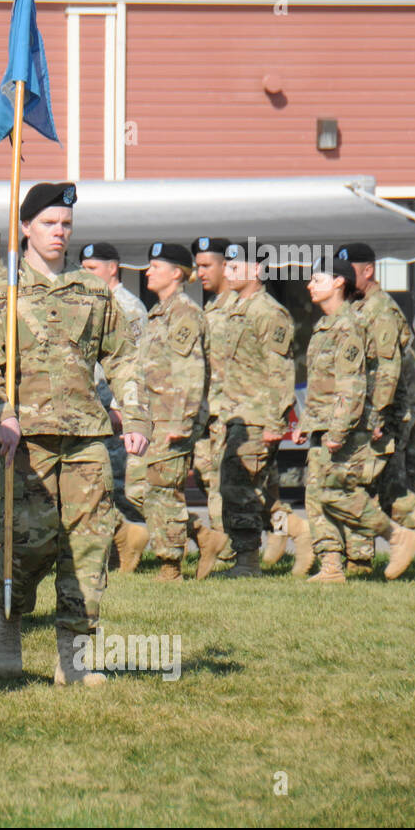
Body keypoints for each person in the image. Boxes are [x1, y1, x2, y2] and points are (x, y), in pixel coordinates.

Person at [0, 182, 149, 684]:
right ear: (25, 228)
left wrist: (135, 414)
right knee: (26, 543)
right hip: (25, 440)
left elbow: (122, 358)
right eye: (49, 224)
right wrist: (2, 414)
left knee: (90, 544)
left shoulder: (93, 291)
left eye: (66, 225)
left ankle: (73, 656)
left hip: (85, 437)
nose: (59, 233)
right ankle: (7, 622)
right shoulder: (1, 290)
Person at [295, 258, 415, 584]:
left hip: (345, 429)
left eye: (317, 279)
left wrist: (338, 431)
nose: (310, 285)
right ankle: (332, 567)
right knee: (316, 499)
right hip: (322, 425)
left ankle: (397, 537)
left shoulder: (348, 326)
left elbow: (351, 385)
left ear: (339, 282)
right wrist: (306, 423)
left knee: (335, 493)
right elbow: (323, 385)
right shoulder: (326, 325)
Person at [338, 242, 415, 571]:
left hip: (395, 410)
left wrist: (380, 415)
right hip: (386, 410)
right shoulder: (357, 308)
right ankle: (370, 557)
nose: (342, 279)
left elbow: (389, 371)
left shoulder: (379, 310)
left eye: (349, 272)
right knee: (384, 486)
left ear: (368, 271)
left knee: (383, 487)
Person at [134, 243, 217, 581]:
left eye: (155, 266)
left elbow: (190, 373)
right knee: (139, 488)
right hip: (155, 418)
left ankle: (170, 566)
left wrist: (182, 422)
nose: (148, 271)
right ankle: (201, 534)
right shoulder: (159, 313)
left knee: (163, 489)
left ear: (176, 273)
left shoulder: (184, 313)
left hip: (172, 419)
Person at [217, 237, 298, 577]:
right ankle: (291, 534)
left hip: (256, 417)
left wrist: (275, 423)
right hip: (235, 416)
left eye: (235, 266)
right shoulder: (233, 309)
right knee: (245, 488)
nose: (228, 272)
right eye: (227, 265)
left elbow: (280, 371)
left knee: (243, 490)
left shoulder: (268, 313)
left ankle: (248, 561)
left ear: (257, 269)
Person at [81, 241, 150, 573]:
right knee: (104, 485)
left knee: (121, 485)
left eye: (93, 268)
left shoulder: (127, 307)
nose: (86, 274)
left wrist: (124, 407)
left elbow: (132, 361)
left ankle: (137, 542)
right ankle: (116, 548)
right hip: (96, 406)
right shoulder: (93, 300)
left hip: (115, 409)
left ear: (113, 268)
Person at [190, 236, 238, 570]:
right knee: (211, 483)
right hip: (210, 412)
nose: (199, 273)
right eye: (197, 266)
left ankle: (288, 531)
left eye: (206, 266)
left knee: (230, 486)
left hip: (233, 412)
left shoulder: (239, 308)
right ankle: (225, 549)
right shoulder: (211, 308)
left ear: (226, 266)